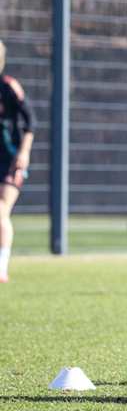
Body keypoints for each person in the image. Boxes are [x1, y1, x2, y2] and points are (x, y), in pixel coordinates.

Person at [0, 39, 34, 283]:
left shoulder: (9, 87)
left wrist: (23, 153)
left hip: (9, 160)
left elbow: (31, 122)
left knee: (1, 211)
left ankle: (1, 267)